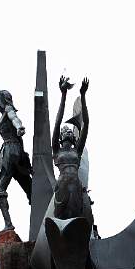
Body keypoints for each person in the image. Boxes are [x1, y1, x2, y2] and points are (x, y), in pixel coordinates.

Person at [51, 75, 90, 220]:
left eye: (69, 131)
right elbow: (57, 121)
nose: (66, 131)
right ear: (60, 137)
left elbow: (86, 123)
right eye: (64, 131)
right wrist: (63, 94)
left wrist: (83, 96)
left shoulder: (77, 151)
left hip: (76, 183)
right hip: (61, 184)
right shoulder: (56, 150)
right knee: (60, 218)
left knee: (76, 218)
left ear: (73, 137)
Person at [0, 90, 32, 230]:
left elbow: (14, 118)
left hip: (10, 151)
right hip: (17, 152)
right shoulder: (4, 113)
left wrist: (19, 127)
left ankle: (8, 224)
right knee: (30, 189)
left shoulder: (8, 109)